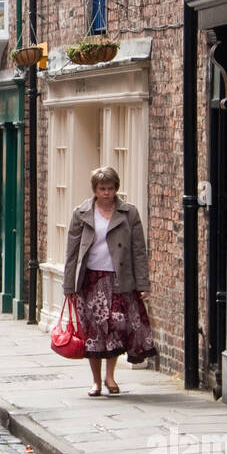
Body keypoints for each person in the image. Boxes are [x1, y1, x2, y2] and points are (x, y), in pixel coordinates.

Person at [62, 166, 156, 396]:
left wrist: (143, 284)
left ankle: (110, 377)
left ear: (116, 189)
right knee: (94, 332)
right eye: (102, 188)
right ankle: (95, 381)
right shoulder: (81, 213)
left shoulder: (129, 213)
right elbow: (72, 252)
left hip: (118, 279)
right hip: (90, 280)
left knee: (115, 326)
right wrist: (68, 285)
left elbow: (138, 251)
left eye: (111, 188)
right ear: (94, 189)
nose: (107, 193)